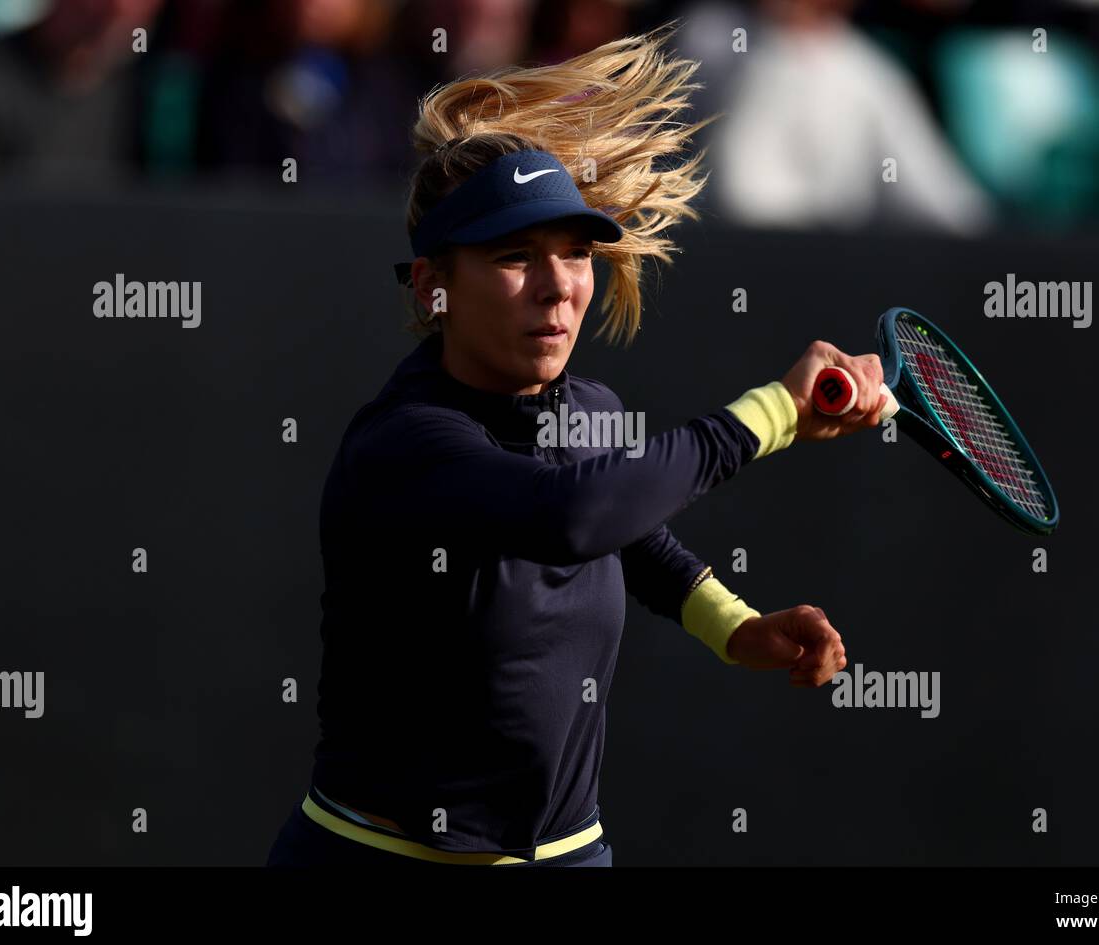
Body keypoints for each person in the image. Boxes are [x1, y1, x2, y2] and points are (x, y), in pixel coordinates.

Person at [266, 21, 890, 869]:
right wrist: (774, 412)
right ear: (433, 287)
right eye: (515, 256)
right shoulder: (406, 441)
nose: (559, 284)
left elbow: (634, 539)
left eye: (574, 252)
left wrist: (736, 628)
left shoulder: (587, 406)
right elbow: (573, 515)